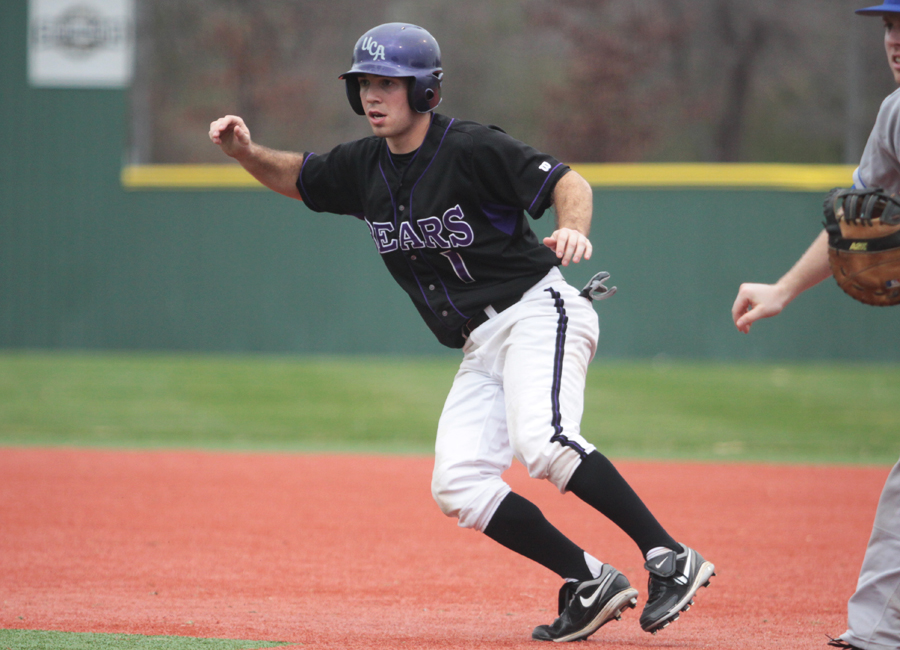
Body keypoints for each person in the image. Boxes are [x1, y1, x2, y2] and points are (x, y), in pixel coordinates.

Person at [210, 22, 714, 642]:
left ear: (424, 91)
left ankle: (669, 555)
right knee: (458, 482)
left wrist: (573, 226)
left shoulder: (470, 148)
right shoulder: (364, 166)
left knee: (547, 442)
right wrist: (244, 152)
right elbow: (301, 177)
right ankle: (590, 580)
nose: (373, 95)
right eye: (365, 83)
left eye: (389, 84)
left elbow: (567, 182)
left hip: (537, 311)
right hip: (480, 344)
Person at [732, 4, 900, 649]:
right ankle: (879, 634)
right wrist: (783, 288)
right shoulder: (896, 114)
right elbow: (857, 222)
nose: (895, 40)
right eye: (888, 26)